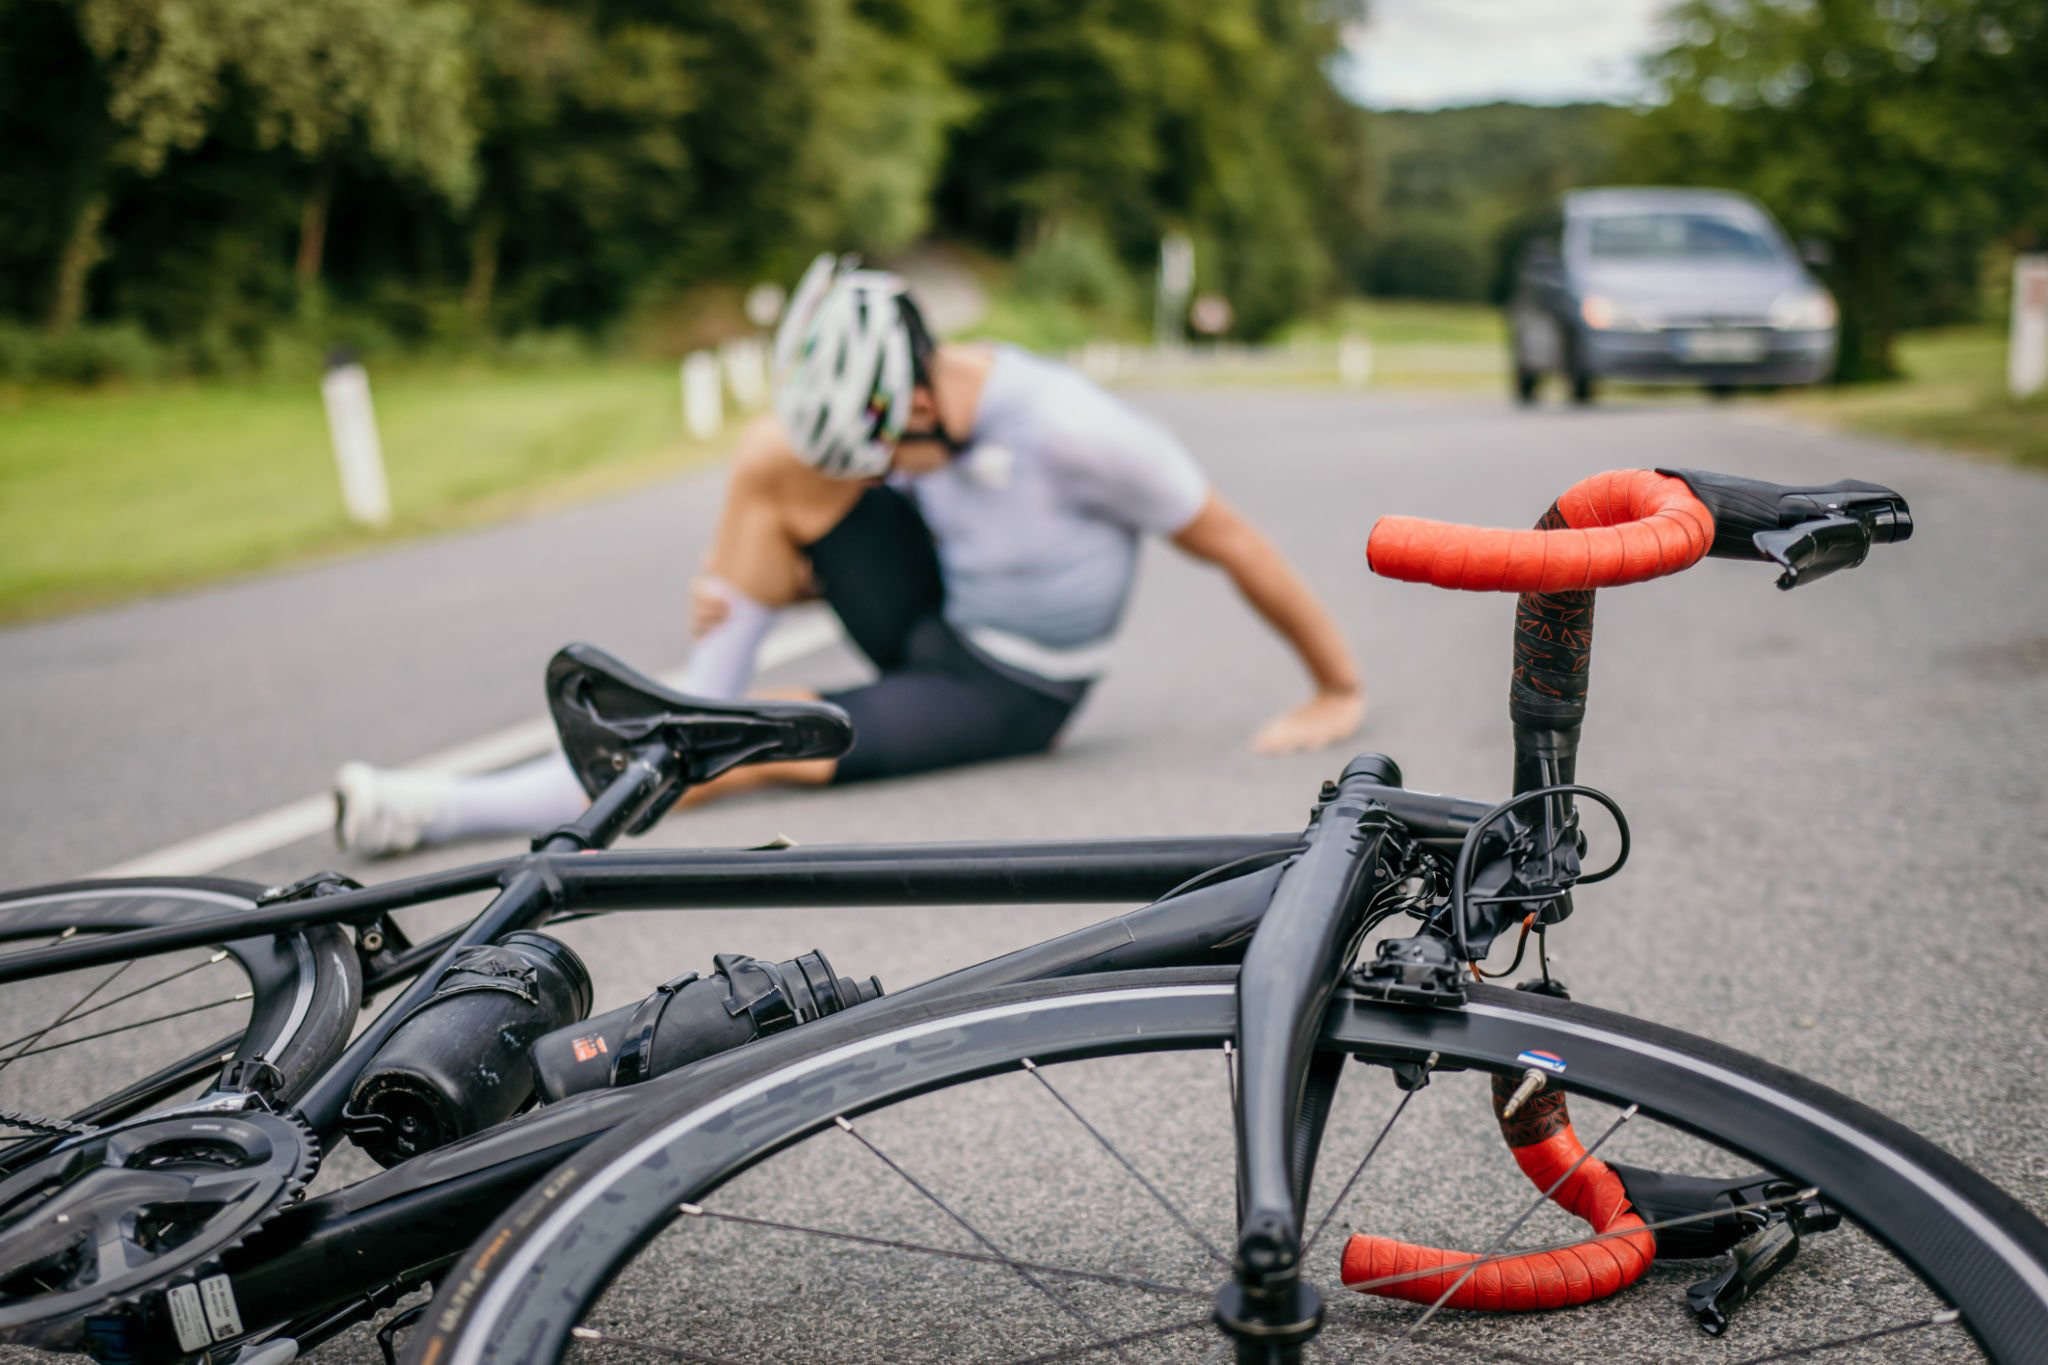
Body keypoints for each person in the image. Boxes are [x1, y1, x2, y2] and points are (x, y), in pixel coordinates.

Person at [334, 256, 1365, 856]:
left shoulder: (1070, 430)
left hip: (1011, 686)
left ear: (919, 398)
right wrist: (753, 580)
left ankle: (438, 812)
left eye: (885, 456)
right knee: (767, 461)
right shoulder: (905, 415)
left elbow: (1233, 542)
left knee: (753, 750)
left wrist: (1334, 687)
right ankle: (704, 694)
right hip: (939, 611)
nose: (881, 473)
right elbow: (842, 485)